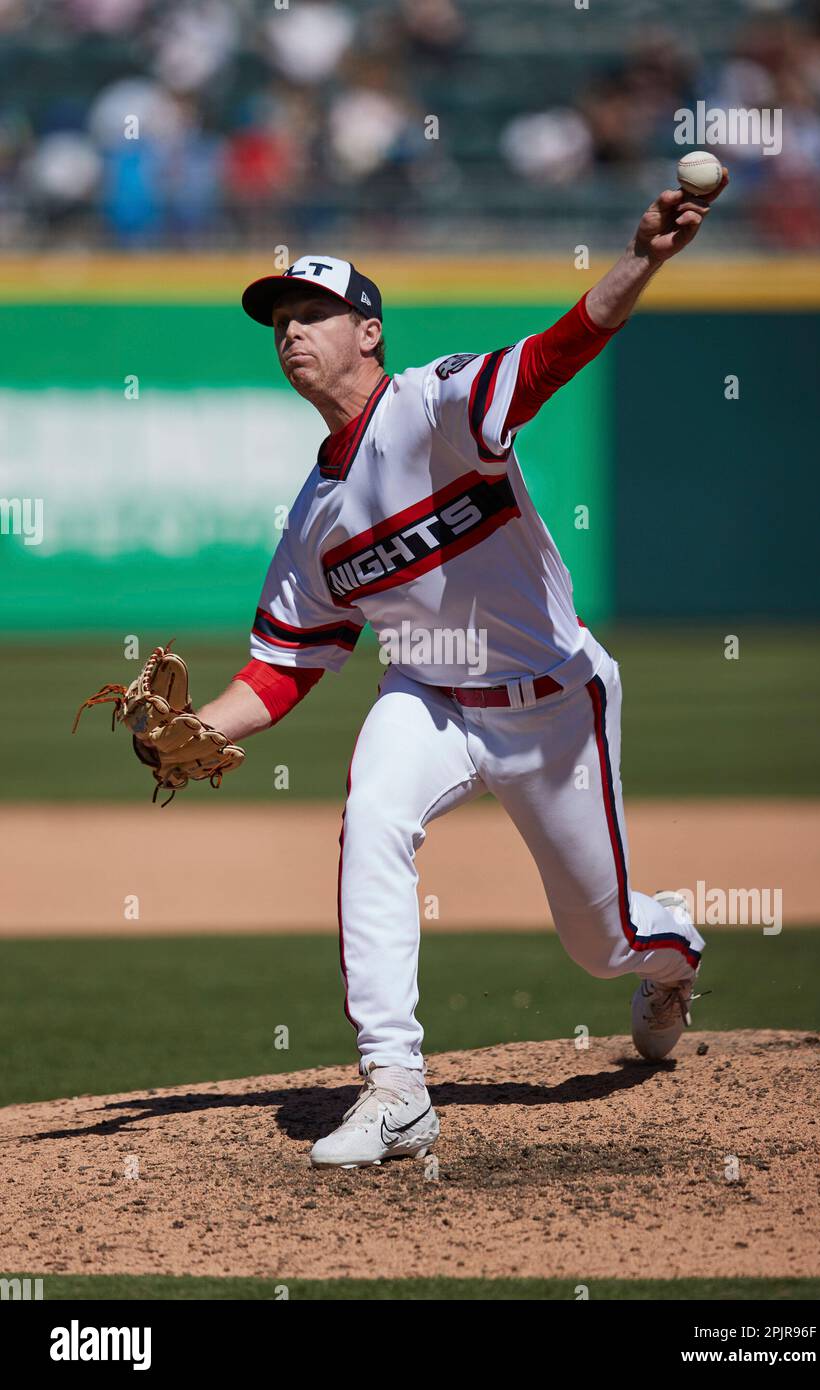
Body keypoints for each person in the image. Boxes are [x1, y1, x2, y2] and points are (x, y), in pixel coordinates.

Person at [197, 172, 728, 1169]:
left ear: (368, 331)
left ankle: (670, 966)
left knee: (601, 939)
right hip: (430, 699)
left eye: (313, 311)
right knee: (373, 821)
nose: (291, 329)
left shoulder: (432, 406)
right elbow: (280, 666)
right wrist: (190, 732)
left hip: (552, 702)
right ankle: (394, 1087)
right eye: (279, 318)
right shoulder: (312, 520)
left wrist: (641, 260)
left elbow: (549, 357)